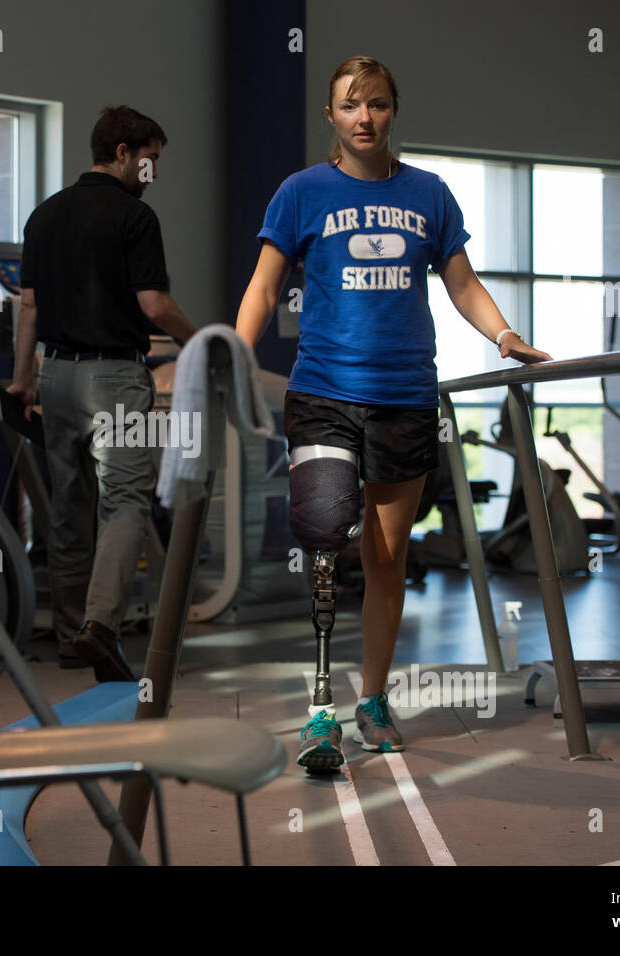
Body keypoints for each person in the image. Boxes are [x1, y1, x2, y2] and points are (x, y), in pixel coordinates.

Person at [235, 56, 552, 771]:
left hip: (406, 396)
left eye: (377, 104)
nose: (365, 117)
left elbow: (462, 284)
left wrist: (503, 334)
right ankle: (321, 712)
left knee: (385, 557)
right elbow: (262, 287)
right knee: (324, 544)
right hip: (322, 393)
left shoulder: (429, 195)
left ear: (393, 110)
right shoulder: (301, 193)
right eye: (351, 105)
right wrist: (233, 355)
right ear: (331, 117)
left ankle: (372, 698)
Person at [7, 105, 196, 681]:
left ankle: (71, 639)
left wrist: (23, 379)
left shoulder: (44, 216)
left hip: (56, 375)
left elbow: (30, 306)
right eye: (151, 161)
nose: (152, 173)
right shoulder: (135, 217)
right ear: (123, 154)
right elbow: (154, 305)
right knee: (126, 501)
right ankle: (100, 627)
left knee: (70, 509)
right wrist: (206, 340)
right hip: (112, 376)